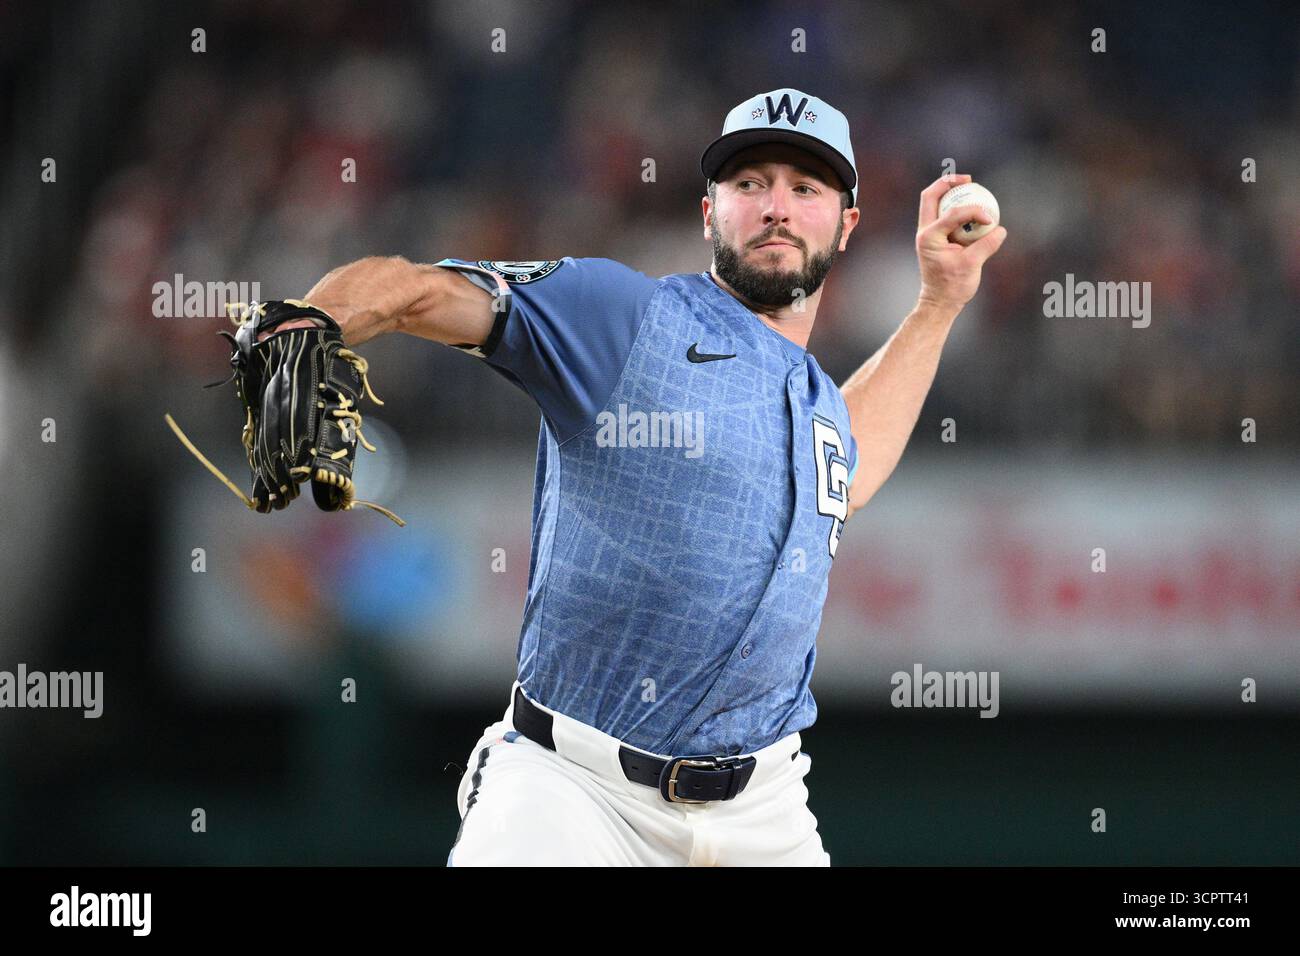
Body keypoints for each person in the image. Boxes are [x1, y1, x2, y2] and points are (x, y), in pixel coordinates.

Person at [287, 88, 1005, 865]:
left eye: (806, 188)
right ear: (709, 212)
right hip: (572, 792)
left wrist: (938, 302)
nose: (777, 207)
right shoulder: (622, 317)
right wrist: (310, 323)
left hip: (765, 812)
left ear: (846, 224)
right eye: (750, 183)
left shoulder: (813, 401)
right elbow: (422, 290)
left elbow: (849, 469)